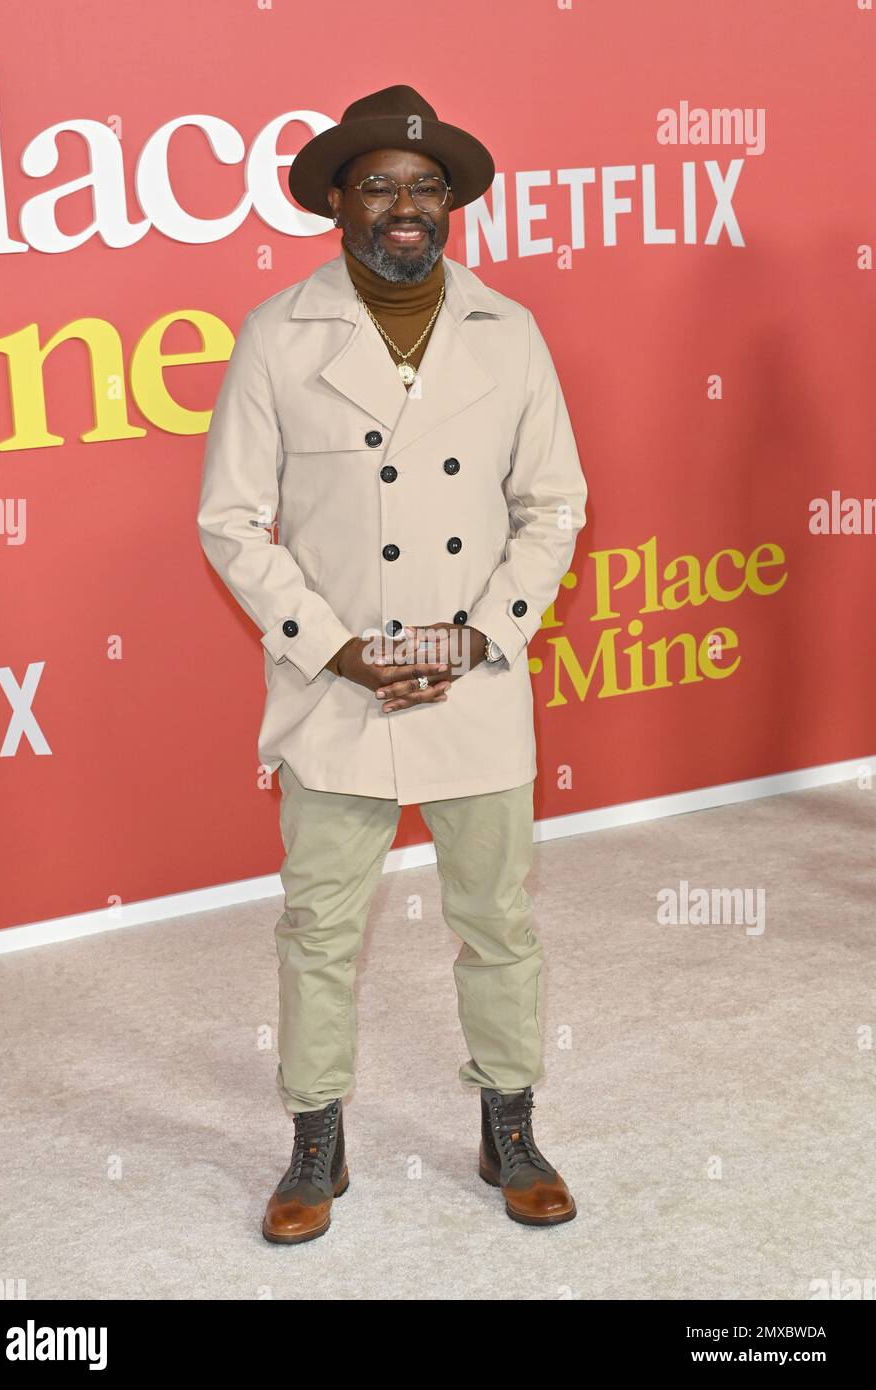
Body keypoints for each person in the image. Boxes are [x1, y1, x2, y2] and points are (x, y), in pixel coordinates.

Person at [197, 84, 589, 1244]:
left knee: (497, 920)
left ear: (450, 203)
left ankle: (508, 1125)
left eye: (425, 187)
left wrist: (483, 630)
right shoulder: (276, 333)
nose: (404, 206)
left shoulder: (509, 332)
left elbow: (552, 505)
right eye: (378, 185)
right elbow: (231, 521)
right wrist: (335, 649)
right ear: (337, 201)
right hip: (336, 685)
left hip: (474, 674)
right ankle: (314, 1140)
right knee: (318, 928)